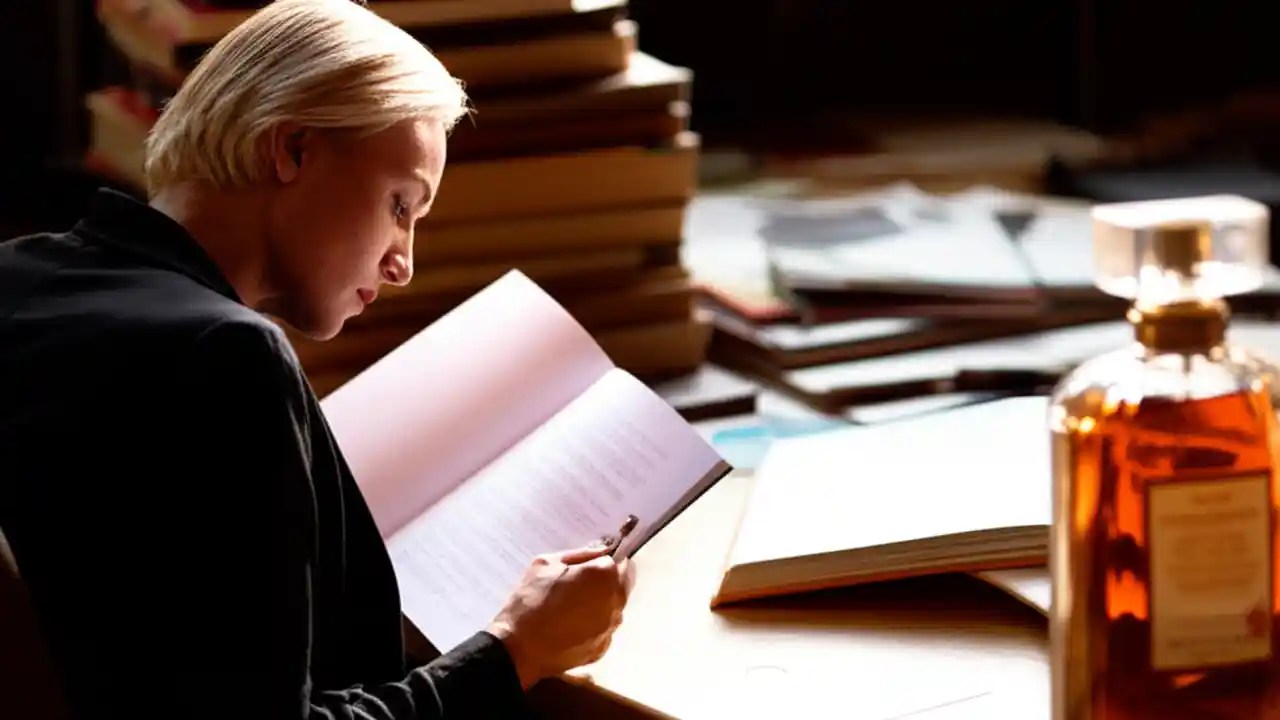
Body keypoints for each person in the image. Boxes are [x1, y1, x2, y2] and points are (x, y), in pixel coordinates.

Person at [0, 1, 635, 718]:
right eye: (401, 205)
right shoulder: (228, 355)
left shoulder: (16, 275)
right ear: (294, 149)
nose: (404, 265)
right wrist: (517, 647)